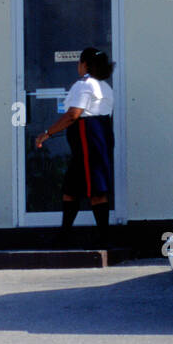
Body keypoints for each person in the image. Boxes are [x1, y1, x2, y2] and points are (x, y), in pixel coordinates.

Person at [36, 47, 115, 248]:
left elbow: (73, 114)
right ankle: (64, 235)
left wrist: (48, 132)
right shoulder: (105, 86)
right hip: (99, 138)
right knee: (71, 188)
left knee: (95, 188)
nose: (77, 66)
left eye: (79, 62)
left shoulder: (85, 85)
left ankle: (103, 238)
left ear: (85, 64)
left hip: (88, 139)